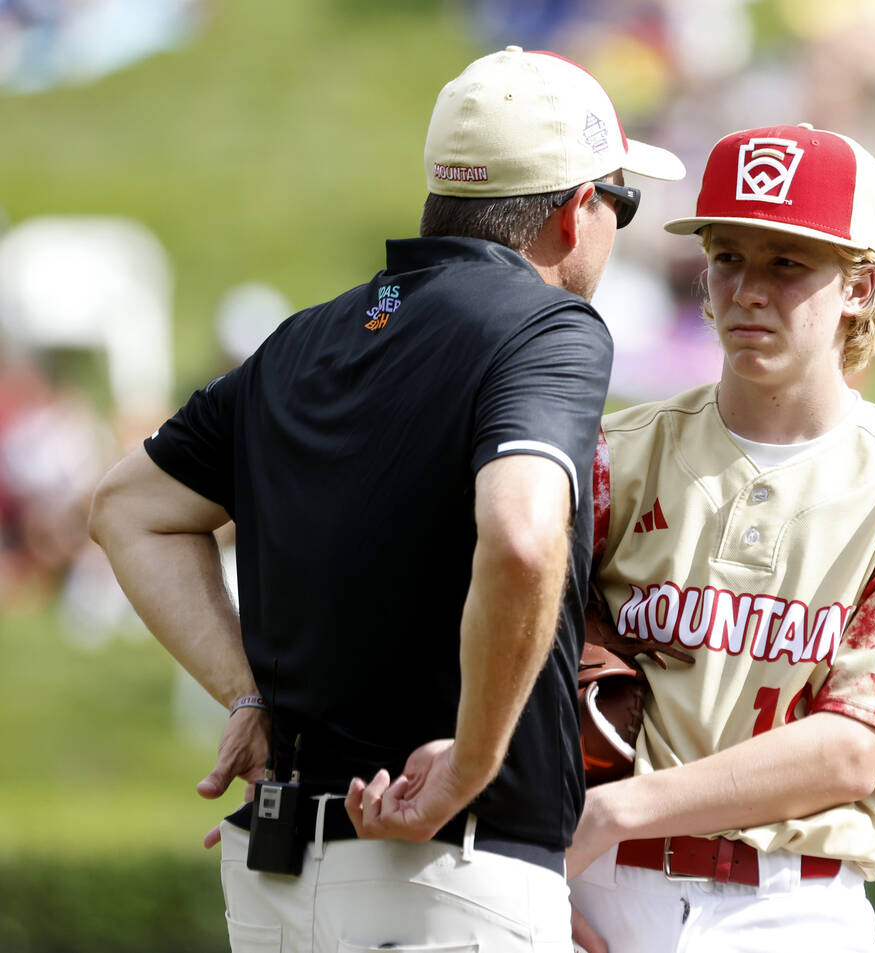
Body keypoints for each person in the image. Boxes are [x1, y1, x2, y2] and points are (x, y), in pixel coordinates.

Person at [88, 45, 683, 953]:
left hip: (275, 870)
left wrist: (249, 700)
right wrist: (473, 763)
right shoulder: (549, 325)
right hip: (449, 864)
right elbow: (523, 536)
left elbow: (127, 509)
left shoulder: (301, 338)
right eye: (620, 202)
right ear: (576, 211)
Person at [567, 124, 875, 953]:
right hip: (602, 887)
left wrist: (621, 808)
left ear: (861, 286)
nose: (747, 288)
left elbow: (851, 754)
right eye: (727, 256)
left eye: (787, 262)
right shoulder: (613, 452)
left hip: (793, 905)